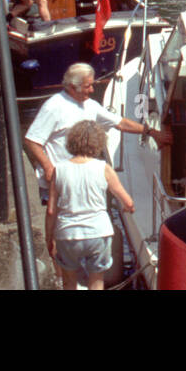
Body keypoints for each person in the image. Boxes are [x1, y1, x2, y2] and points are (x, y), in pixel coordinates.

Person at [24, 63, 171, 248]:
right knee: (59, 223)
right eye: (88, 86)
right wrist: (47, 167)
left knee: (89, 220)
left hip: (85, 176)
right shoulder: (53, 107)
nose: (92, 90)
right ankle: (58, 260)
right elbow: (32, 140)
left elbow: (120, 123)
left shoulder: (90, 105)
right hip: (60, 178)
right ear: (71, 87)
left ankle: (83, 258)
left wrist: (151, 132)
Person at [46, 120, 135, 291]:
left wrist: (50, 238)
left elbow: (51, 210)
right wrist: (128, 208)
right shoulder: (104, 168)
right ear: (99, 143)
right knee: (96, 282)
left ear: (71, 142)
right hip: (98, 233)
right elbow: (128, 202)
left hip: (68, 233)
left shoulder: (59, 169)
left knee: (69, 282)